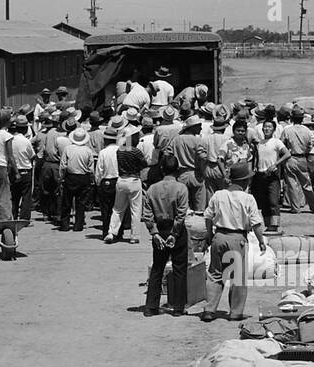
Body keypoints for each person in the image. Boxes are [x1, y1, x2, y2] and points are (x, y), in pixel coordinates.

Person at [201, 159, 265, 322]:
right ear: (245, 180)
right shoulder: (248, 198)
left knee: (215, 274)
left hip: (219, 237)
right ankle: (235, 312)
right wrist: (261, 241)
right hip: (238, 239)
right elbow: (255, 223)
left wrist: (209, 235)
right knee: (237, 277)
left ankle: (209, 310)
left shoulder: (218, 195)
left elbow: (208, 217)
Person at [142, 155, 190, 317]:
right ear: (177, 170)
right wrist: (174, 234)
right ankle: (178, 308)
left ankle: (151, 307)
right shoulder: (181, 188)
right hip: (176, 230)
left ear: (162, 169)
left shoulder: (152, 189)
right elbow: (181, 214)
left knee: (157, 268)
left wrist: (154, 233)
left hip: (160, 229)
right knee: (179, 269)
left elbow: (147, 214)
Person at [106, 127, 149, 244]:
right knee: (135, 209)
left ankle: (111, 232)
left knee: (118, 209)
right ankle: (134, 236)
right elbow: (144, 164)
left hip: (121, 180)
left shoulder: (119, 150)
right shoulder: (136, 151)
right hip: (134, 180)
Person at [250, 118, 290, 233]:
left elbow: (287, 154)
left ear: (273, 129)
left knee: (273, 200)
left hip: (272, 175)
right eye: (265, 127)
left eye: (269, 127)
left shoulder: (276, 142)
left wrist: (275, 164)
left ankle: (275, 225)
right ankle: (268, 225)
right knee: (264, 202)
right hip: (260, 174)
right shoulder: (259, 143)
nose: (267, 129)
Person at [58, 125, 96, 233]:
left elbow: (63, 165)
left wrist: (61, 178)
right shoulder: (88, 151)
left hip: (70, 177)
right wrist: (92, 179)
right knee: (81, 203)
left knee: (66, 202)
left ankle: (64, 225)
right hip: (83, 178)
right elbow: (91, 168)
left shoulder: (68, 149)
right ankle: (78, 225)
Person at [280, 108, 314, 213]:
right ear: (302, 119)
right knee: (306, 184)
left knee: (292, 184)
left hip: (290, 158)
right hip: (303, 158)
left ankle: (295, 208)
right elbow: (310, 145)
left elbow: (282, 144)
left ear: (291, 118)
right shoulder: (307, 130)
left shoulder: (287, 130)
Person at [37, 114, 69, 222]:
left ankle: (46, 213)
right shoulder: (63, 135)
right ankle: (58, 214)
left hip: (47, 163)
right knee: (59, 190)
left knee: (46, 190)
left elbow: (44, 148)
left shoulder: (49, 133)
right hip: (57, 164)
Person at [171, 113, 206, 212]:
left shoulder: (176, 140)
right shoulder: (198, 141)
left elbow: (168, 154)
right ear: (193, 127)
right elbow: (203, 157)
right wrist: (203, 171)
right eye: (199, 126)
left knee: (182, 206)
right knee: (199, 206)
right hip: (196, 174)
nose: (201, 129)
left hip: (181, 175)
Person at [94, 123, 122, 237]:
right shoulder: (120, 150)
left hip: (106, 181)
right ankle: (118, 232)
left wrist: (98, 183)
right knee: (118, 208)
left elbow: (99, 170)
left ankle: (106, 231)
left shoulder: (103, 152)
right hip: (119, 180)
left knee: (105, 209)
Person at [10, 115, 36, 221]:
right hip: (25, 170)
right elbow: (32, 155)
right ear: (25, 129)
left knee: (14, 195)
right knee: (26, 195)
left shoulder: (10, 140)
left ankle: (13, 215)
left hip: (13, 170)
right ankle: (24, 218)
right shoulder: (26, 141)